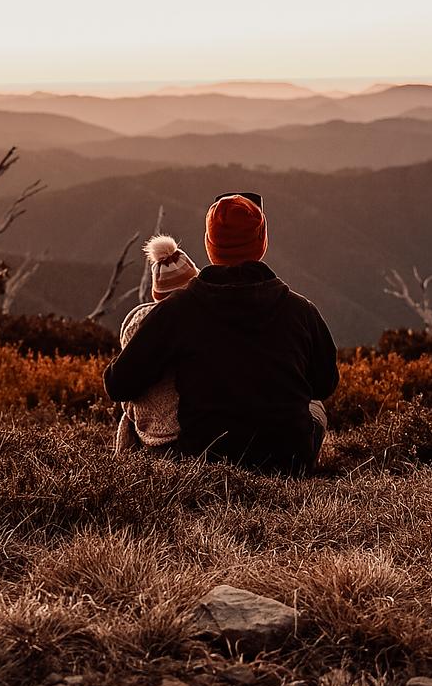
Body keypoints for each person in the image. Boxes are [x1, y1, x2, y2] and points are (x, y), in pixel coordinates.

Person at [104, 192, 339, 475]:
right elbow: (324, 384)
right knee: (315, 407)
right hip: (288, 462)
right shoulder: (302, 310)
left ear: (208, 244)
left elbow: (118, 385)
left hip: (205, 458)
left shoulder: (176, 311)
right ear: (262, 242)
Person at [114, 234, 199, 454]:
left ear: (156, 292)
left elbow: (122, 383)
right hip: (191, 433)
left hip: (150, 431)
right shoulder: (202, 319)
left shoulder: (137, 324)